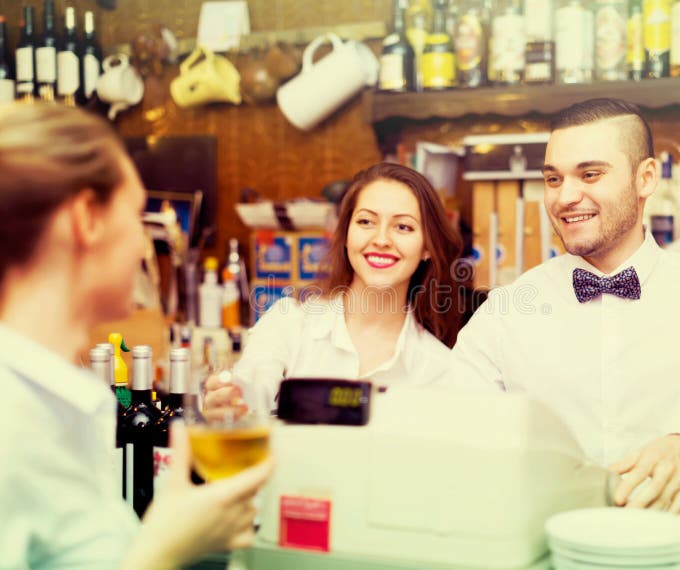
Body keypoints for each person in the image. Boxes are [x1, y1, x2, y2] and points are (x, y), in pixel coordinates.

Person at [451, 98, 680, 513]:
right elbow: (452, 431)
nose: (565, 198)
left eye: (590, 174)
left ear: (645, 177)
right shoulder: (505, 312)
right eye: (554, 179)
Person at [0, 102, 272, 569]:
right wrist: (164, 549)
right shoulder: (12, 421)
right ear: (88, 218)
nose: (146, 246)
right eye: (137, 215)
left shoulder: (62, 404)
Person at [205, 162, 462, 417]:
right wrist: (228, 399)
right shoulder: (291, 322)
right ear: (346, 233)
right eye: (366, 221)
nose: (381, 240)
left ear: (427, 247)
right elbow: (251, 388)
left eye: (403, 227)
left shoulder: (440, 369)